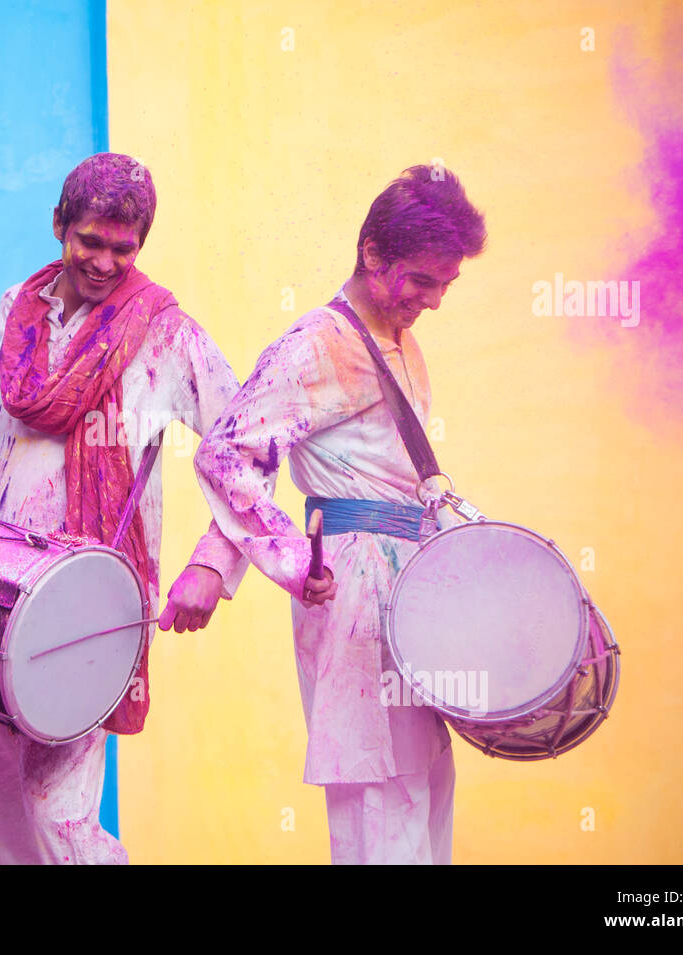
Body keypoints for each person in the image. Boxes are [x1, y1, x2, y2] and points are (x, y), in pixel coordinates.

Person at [0, 152, 248, 864]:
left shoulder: (165, 335)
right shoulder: (16, 311)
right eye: (90, 241)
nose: (105, 261)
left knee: (59, 814)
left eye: (123, 246)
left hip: (88, 604)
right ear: (59, 225)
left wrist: (213, 564)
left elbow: (247, 445)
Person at [193, 165, 487, 864]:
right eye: (420, 279)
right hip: (357, 592)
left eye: (446, 284)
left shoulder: (402, 341)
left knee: (421, 787)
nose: (434, 299)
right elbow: (228, 453)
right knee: (377, 799)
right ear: (371, 255)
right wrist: (294, 560)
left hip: (409, 592)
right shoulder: (317, 344)